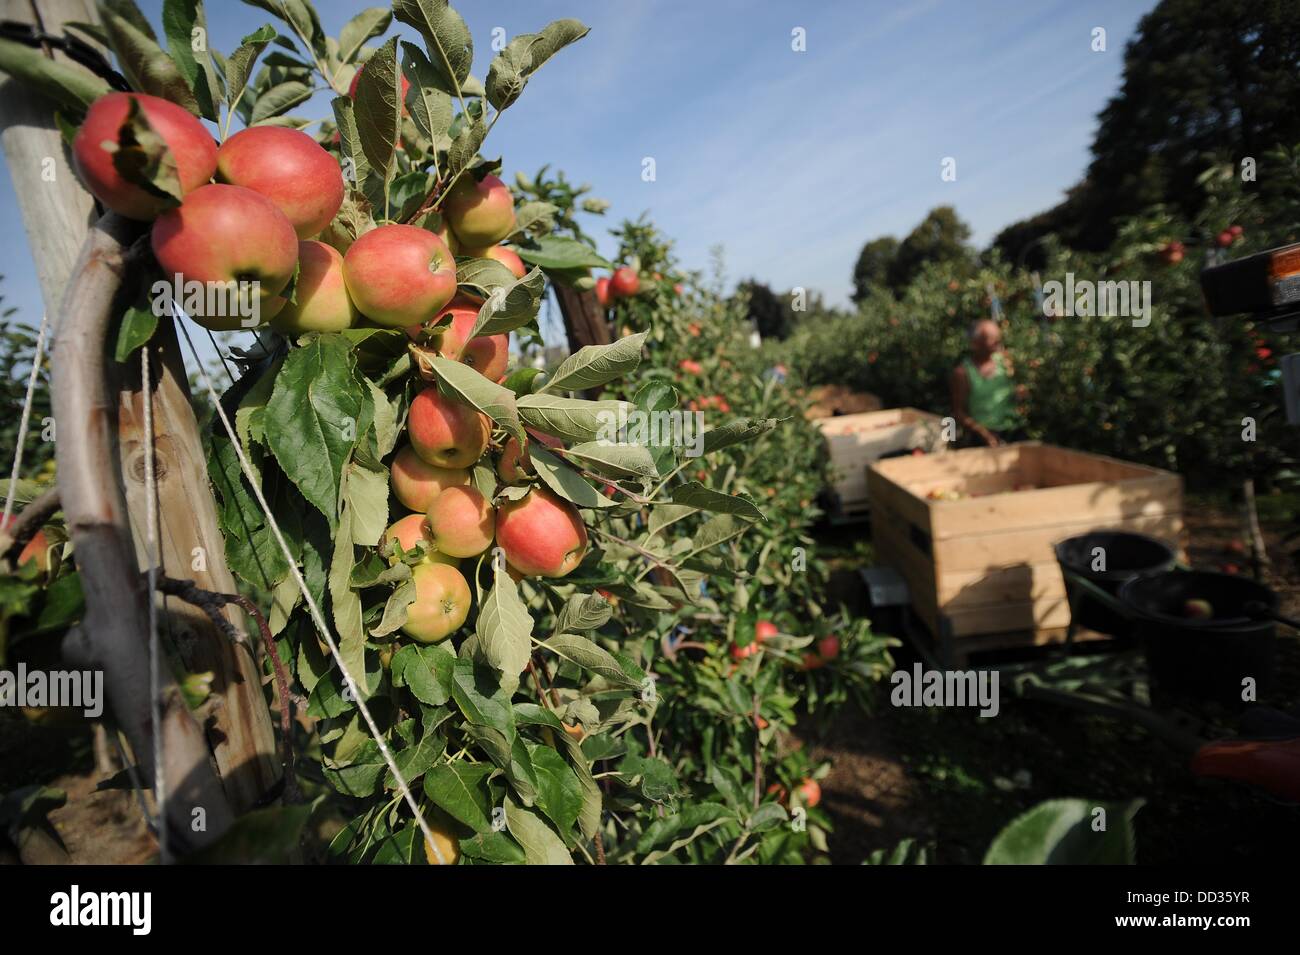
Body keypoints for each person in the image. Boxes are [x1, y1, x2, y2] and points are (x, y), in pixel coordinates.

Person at [950, 319, 1026, 447]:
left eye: (998, 338)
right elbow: (959, 412)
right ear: (975, 343)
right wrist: (984, 434)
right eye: (991, 338)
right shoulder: (962, 373)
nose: (997, 342)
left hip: (1014, 432)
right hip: (983, 438)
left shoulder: (1006, 362)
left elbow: (1019, 388)